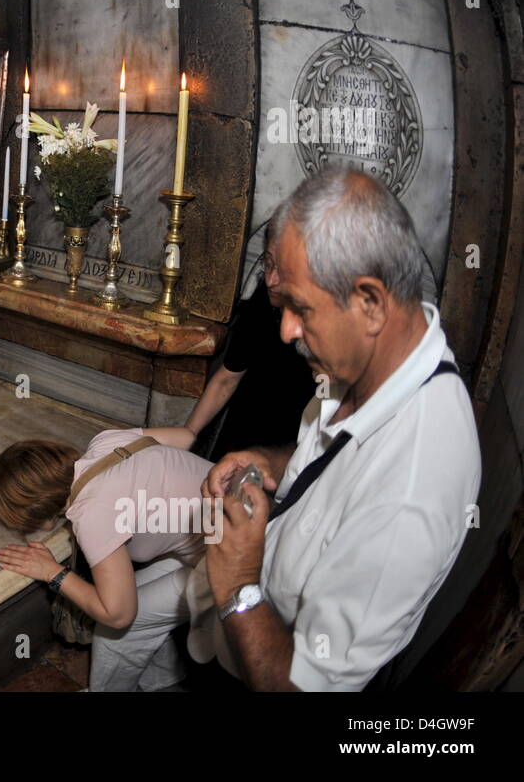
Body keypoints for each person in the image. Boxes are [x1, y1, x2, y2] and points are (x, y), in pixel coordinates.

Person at [186, 168, 481, 691]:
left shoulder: (413, 489)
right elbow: (325, 465)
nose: (286, 329)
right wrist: (270, 462)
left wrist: (237, 587)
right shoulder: (366, 365)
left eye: (301, 308)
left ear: (370, 304)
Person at [0, 425, 211, 691]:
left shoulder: (91, 514)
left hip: (241, 558)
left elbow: (119, 615)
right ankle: (162, 682)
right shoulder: (106, 440)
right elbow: (185, 437)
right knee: (134, 592)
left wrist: (53, 573)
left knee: (115, 632)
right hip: (253, 512)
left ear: (39, 512)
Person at [184, 262, 315, 462]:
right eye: (269, 265)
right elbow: (227, 379)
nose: (271, 280)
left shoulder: (327, 325)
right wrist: (188, 434)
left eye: (282, 269)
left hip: (290, 450)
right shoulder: (263, 299)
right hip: (241, 432)